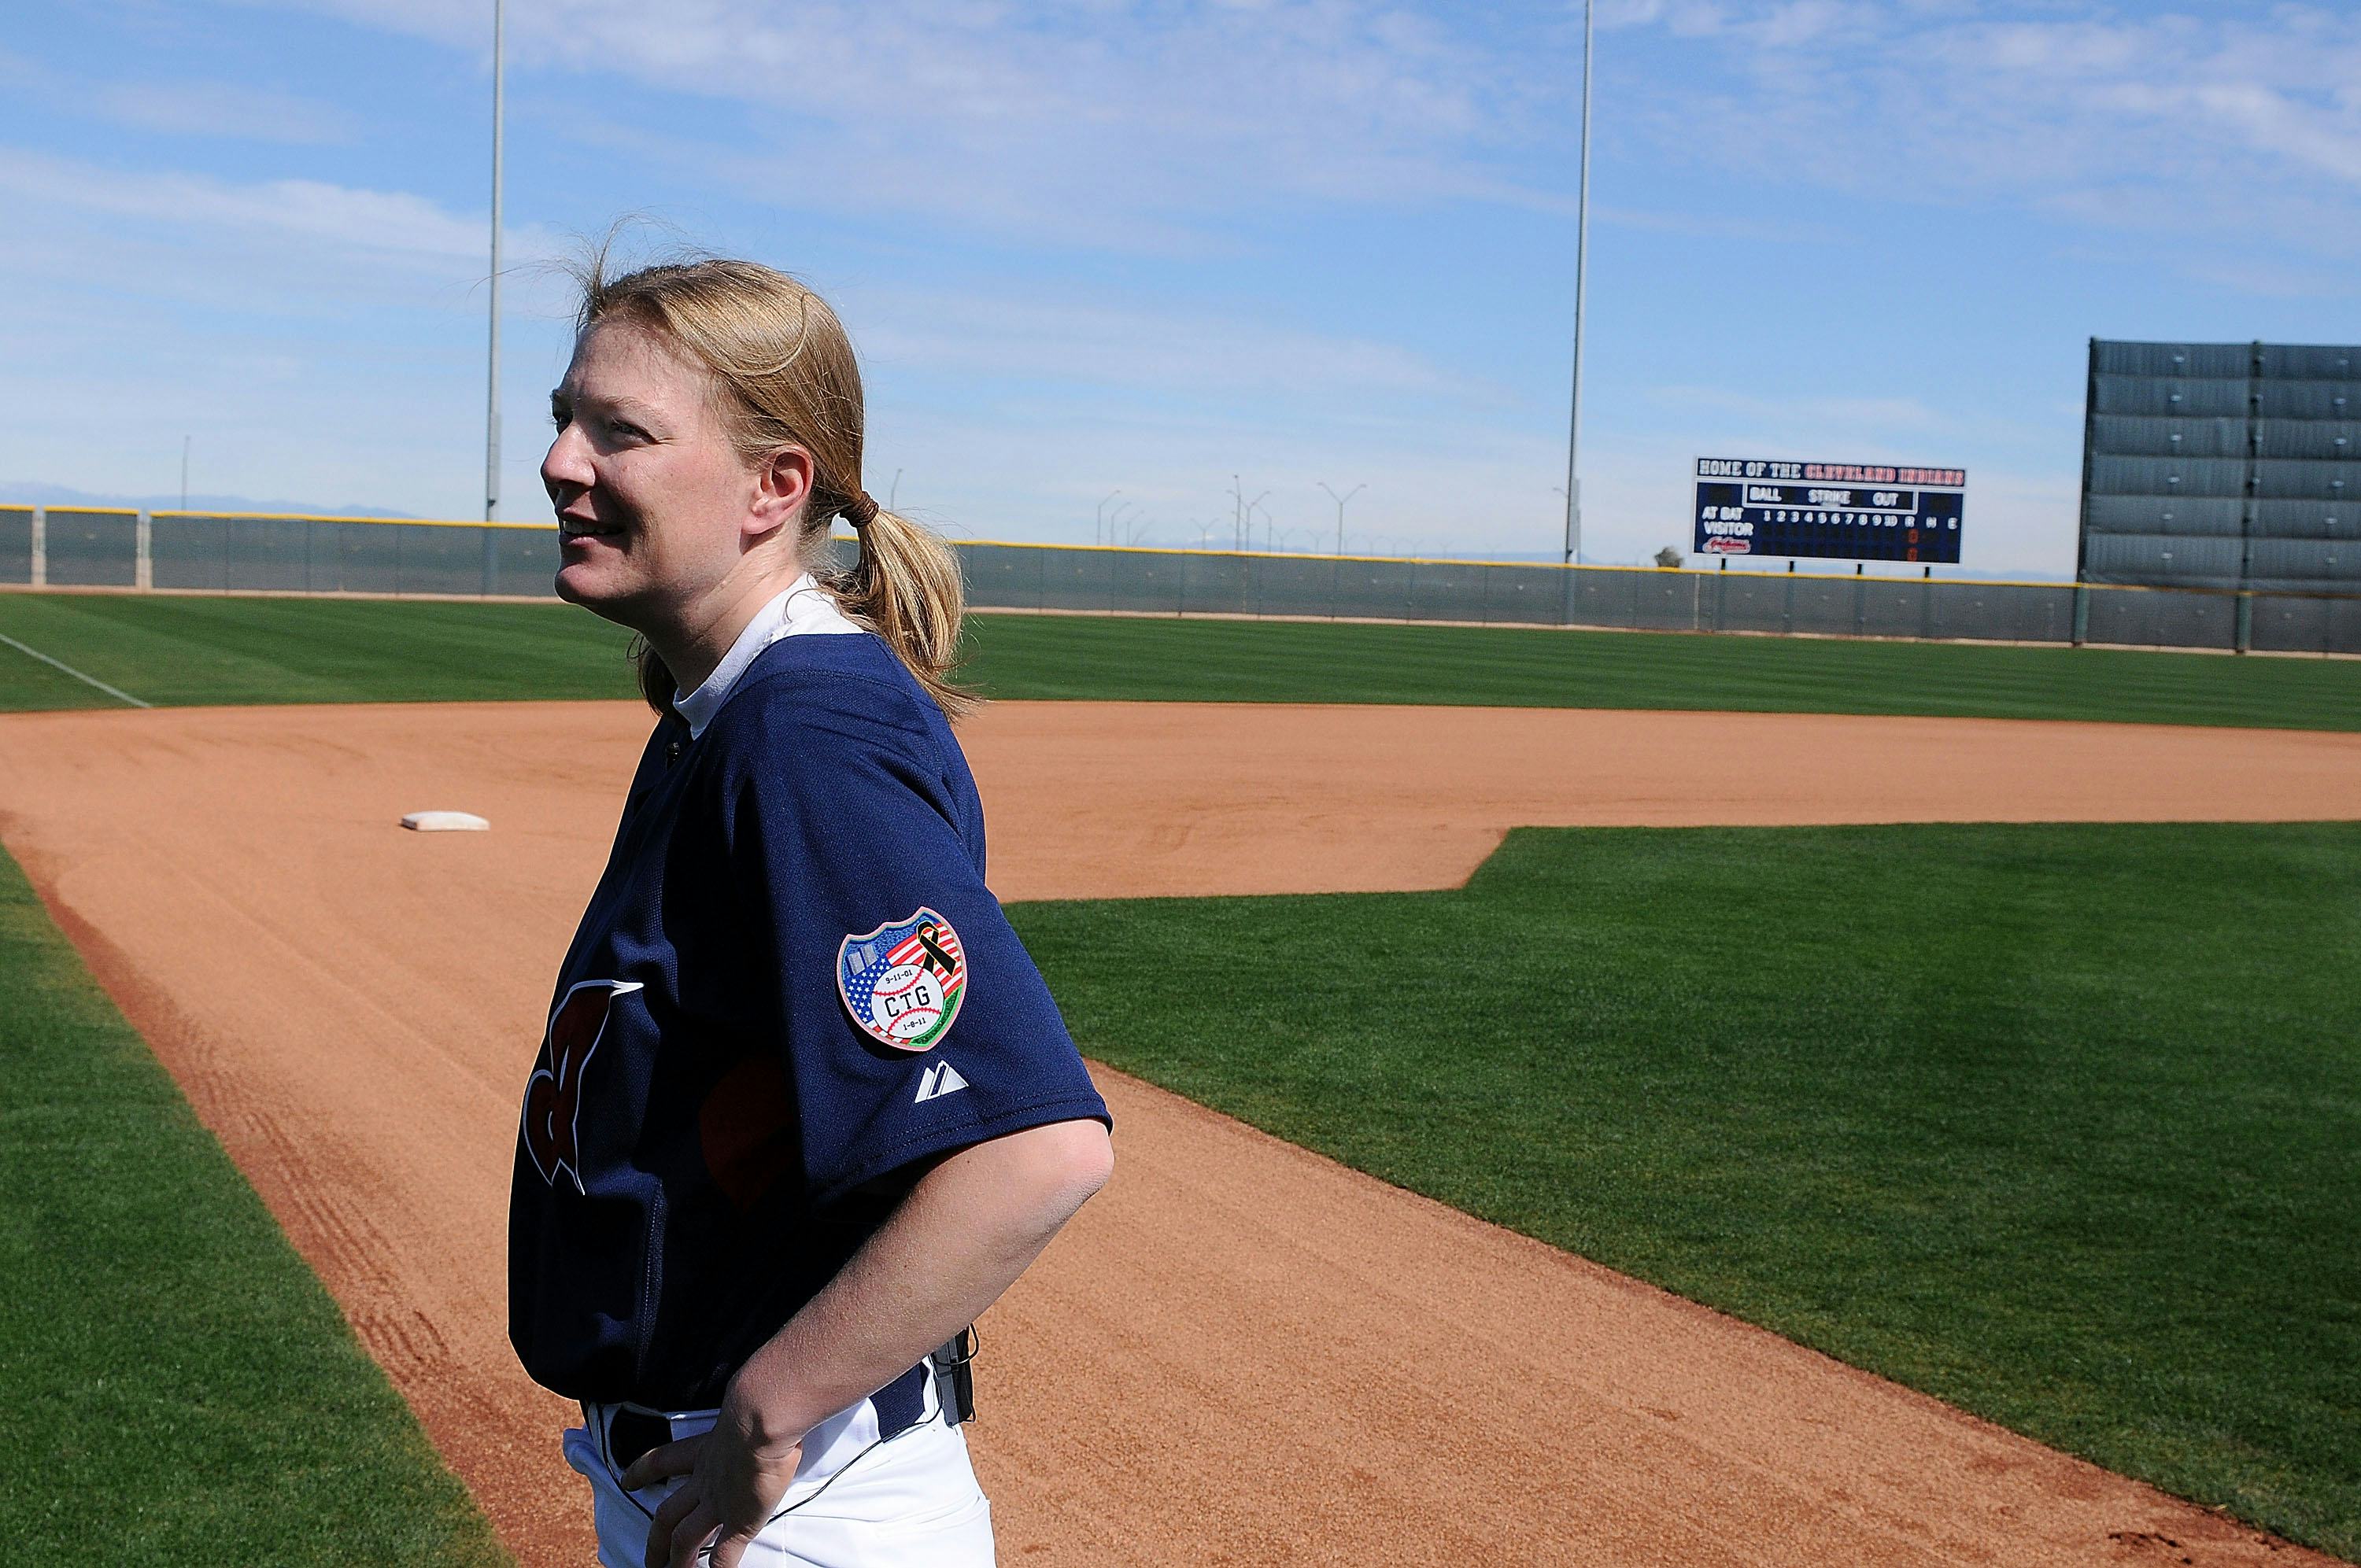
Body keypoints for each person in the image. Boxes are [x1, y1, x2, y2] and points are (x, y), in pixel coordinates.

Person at [508, 253, 1115, 1568]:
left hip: (798, 1523)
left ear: (775, 486)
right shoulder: (723, 708)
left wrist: (770, 1413)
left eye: (621, 430)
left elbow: (1037, 1146)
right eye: (566, 414)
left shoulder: (806, 732)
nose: (561, 460)